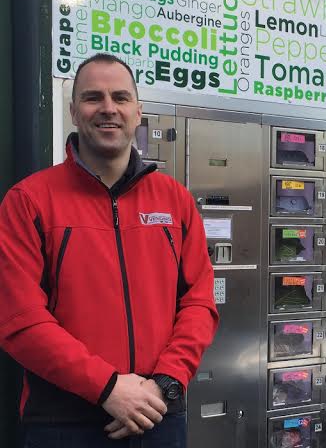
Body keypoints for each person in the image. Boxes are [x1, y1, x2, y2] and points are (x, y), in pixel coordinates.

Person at [0, 53, 219, 447]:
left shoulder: (176, 201)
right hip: (63, 423)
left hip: (159, 413)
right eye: (92, 97)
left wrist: (167, 381)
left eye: (120, 97)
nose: (108, 109)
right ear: (73, 111)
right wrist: (108, 388)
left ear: (138, 111)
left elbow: (199, 303)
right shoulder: (28, 201)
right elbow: (20, 319)